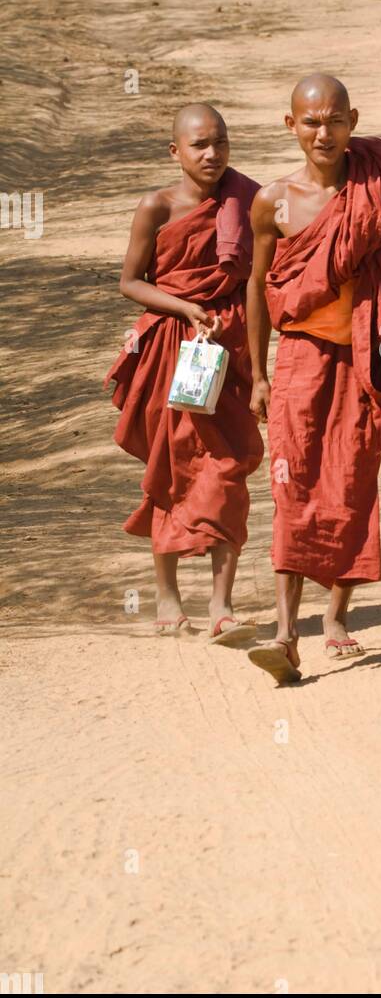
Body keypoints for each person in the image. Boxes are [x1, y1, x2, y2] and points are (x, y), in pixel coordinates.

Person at [245, 74, 381, 684]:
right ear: (290, 125)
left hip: (363, 357)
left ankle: (338, 616)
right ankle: (284, 633)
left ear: (354, 120)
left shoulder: (380, 187)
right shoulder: (274, 201)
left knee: (352, 477)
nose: (324, 133)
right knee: (291, 484)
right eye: (311, 121)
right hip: (300, 355)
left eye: (335, 120)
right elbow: (257, 285)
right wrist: (256, 374)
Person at [105, 104, 263, 642]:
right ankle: (167, 595)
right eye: (199, 145)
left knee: (226, 470)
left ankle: (222, 605)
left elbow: (264, 277)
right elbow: (132, 281)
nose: (212, 154)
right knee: (170, 472)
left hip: (229, 346)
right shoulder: (158, 206)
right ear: (176, 151)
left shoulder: (250, 198)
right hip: (171, 350)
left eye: (220, 142)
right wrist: (184, 308)